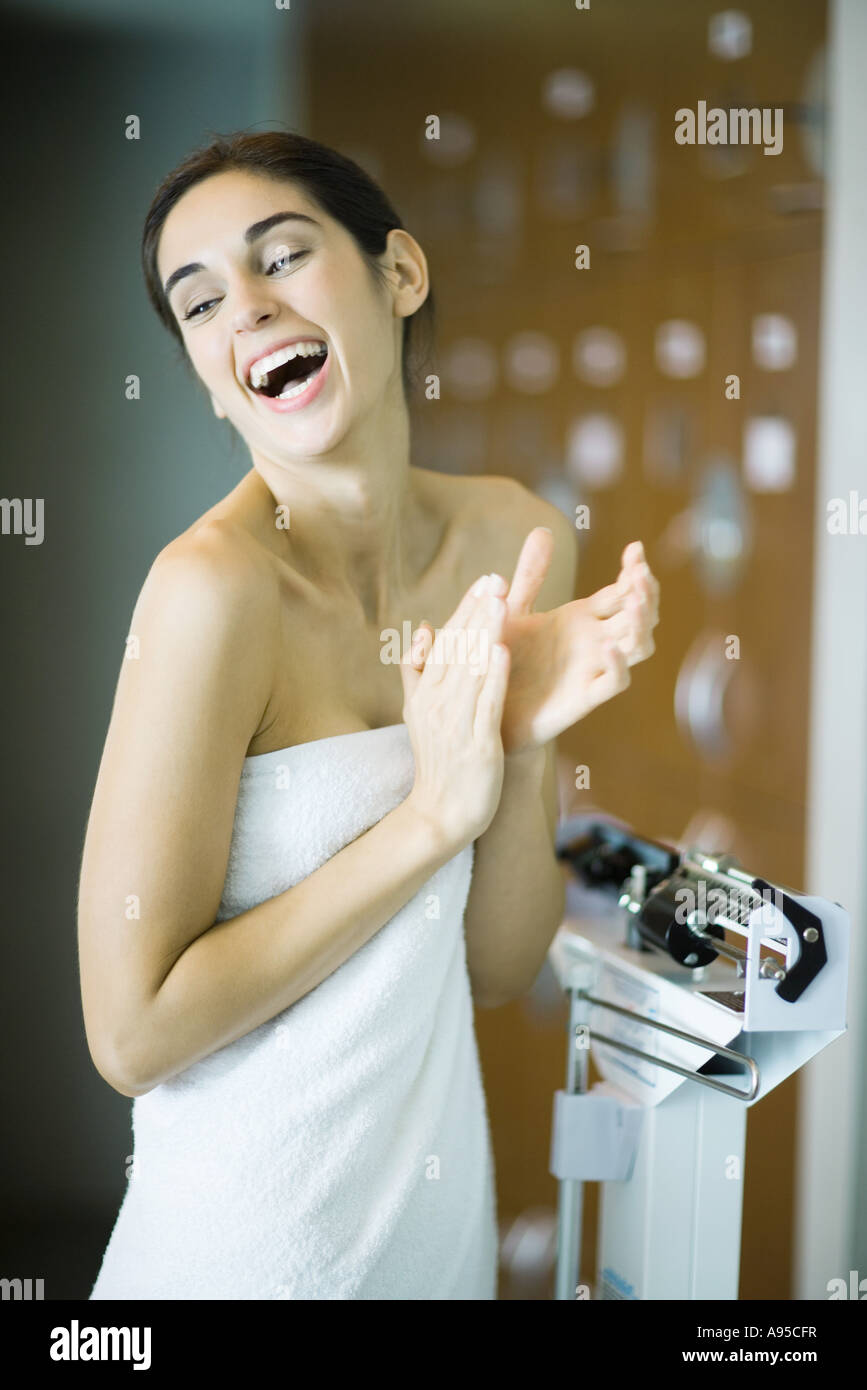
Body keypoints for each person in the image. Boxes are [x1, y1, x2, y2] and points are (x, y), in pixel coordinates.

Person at [78, 129, 659, 1300]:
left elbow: (496, 964)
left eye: (281, 258)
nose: (244, 310)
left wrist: (522, 742)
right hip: (238, 1259)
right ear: (202, 374)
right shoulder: (210, 595)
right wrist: (432, 815)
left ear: (400, 275)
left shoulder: (512, 536)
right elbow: (131, 1033)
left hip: (433, 1244)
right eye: (199, 306)